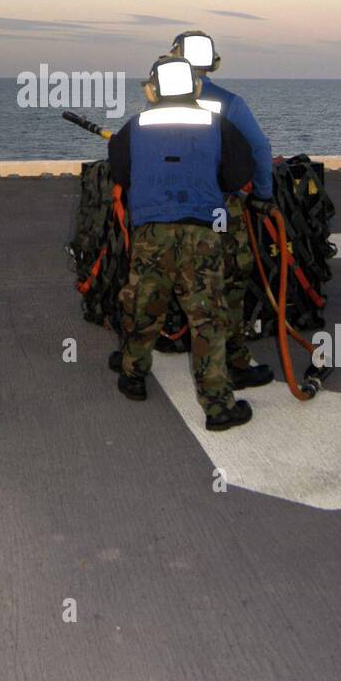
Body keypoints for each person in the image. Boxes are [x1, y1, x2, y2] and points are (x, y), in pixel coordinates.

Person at [106, 54, 255, 431]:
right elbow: (239, 175)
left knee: (143, 305)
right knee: (208, 318)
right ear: (197, 87)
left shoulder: (134, 126)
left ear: (152, 90)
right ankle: (219, 407)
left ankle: (133, 377)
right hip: (202, 235)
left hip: (150, 234)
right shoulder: (218, 125)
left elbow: (121, 171)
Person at [170, 31, 275, 390]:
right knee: (229, 282)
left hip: (171, 208)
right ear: (212, 62)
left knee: (176, 278)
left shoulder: (159, 104)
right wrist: (262, 195)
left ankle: (172, 341)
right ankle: (234, 363)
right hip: (218, 207)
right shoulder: (229, 102)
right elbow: (260, 149)